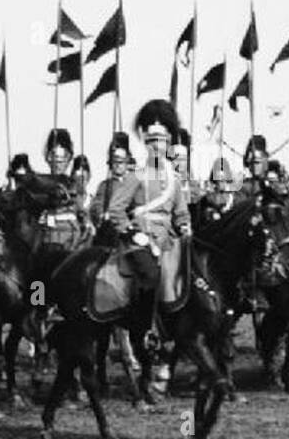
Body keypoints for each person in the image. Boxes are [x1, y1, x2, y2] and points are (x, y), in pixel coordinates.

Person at [104, 99, 193, 349]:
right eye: (152, 140)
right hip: (139, 241)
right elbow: (116, 210)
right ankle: (145, 329)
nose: (156, 146)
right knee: (152, 276)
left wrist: (185, 227)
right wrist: (134, 234)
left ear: (169, 142)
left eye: (161, 140)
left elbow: (181, 213)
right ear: (145, 142)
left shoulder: (174, 179)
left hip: (168, 240)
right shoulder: (135, 176)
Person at [89, 132, 132, 232]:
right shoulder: (105, 186)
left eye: (121, 161)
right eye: (115, 161)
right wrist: (102, 215)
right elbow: (96, 207)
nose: (118, 165)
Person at [199, 156, 239, 223]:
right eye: (219, 180)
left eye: (224, 179)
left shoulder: (234, 198)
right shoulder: (207, 199)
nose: (222, 182)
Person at [235, 135, 269, 202]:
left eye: (257, 162)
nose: (253, 166)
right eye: (252, 162)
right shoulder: (245, 188)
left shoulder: (272, 185)